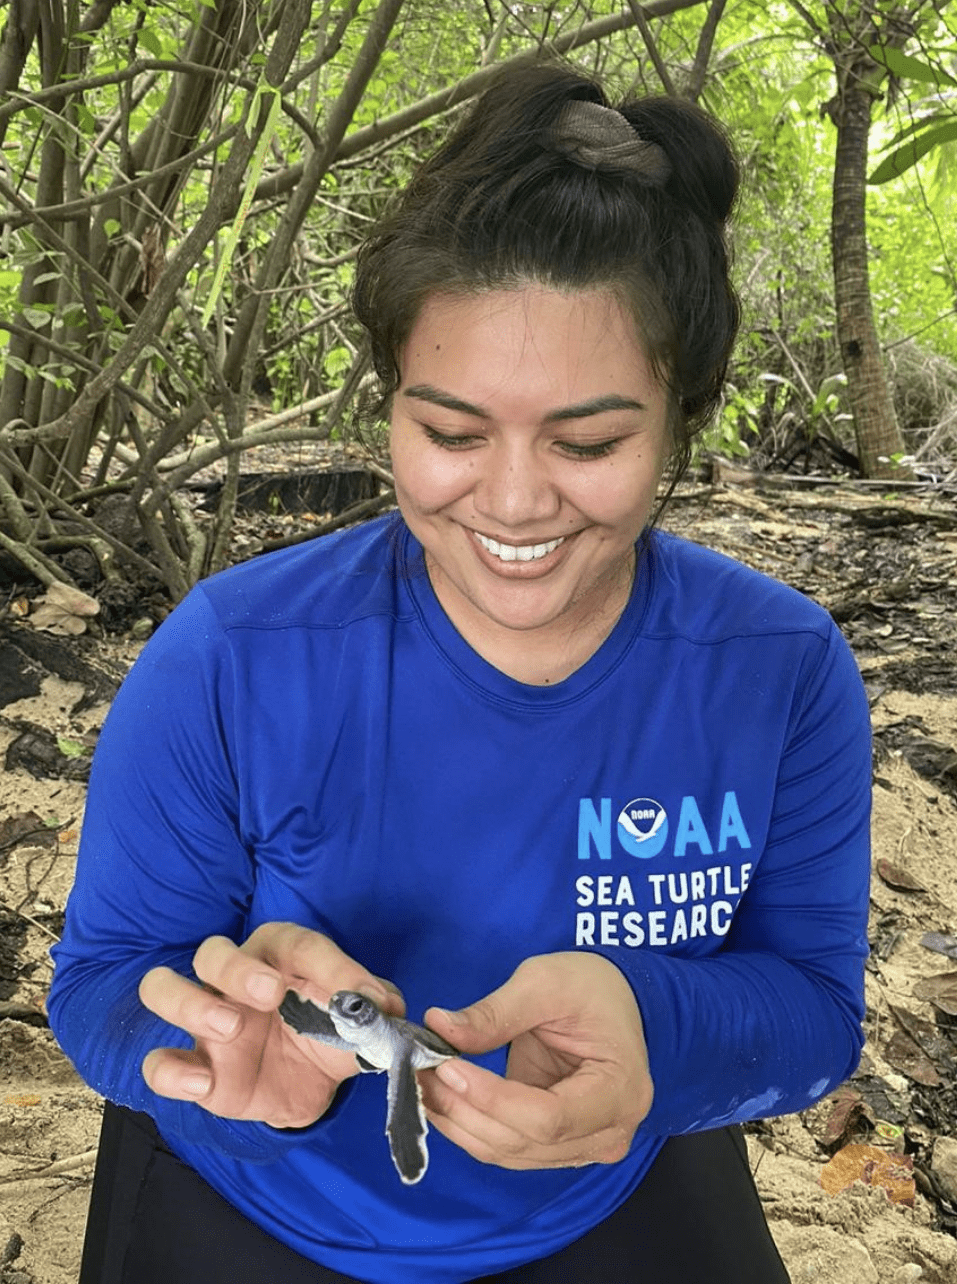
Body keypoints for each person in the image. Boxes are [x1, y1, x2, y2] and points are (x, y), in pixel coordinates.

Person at [48, 61, 871, 1284]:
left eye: (589, 440)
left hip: (604, 1174)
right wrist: (227, 1039)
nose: (517, 500)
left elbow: (811, 1008)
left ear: (684, 414)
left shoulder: (782, 673)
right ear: (390, 408)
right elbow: (104, 984)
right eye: (449, 433)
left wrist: (656, 1026)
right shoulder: (231, 656)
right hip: (255, 1188)